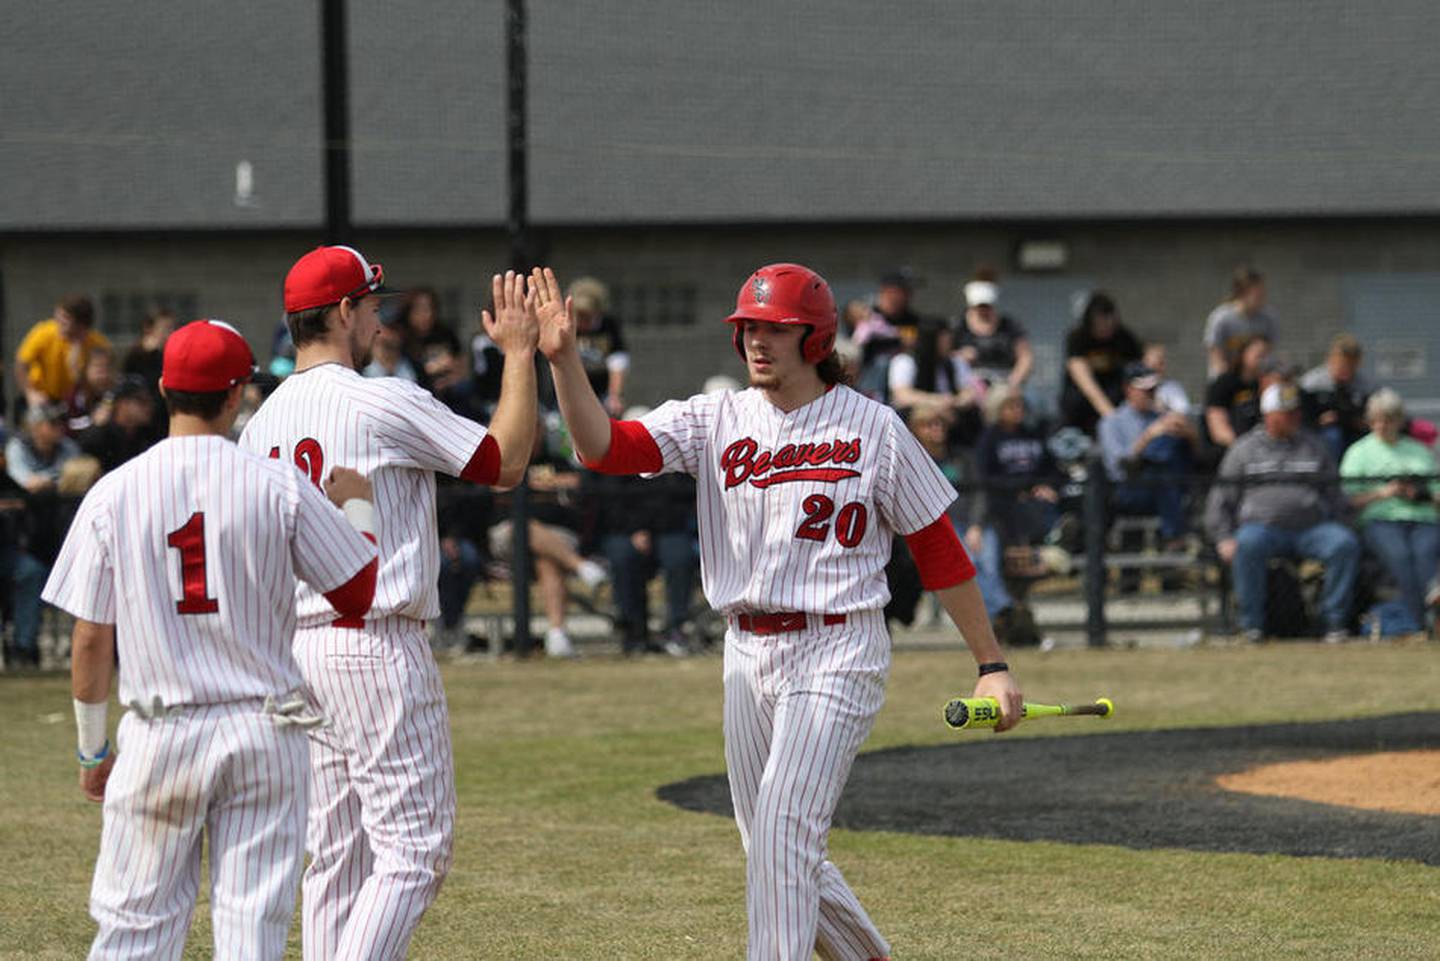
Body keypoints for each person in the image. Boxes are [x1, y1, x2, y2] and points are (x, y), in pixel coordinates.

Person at [538, 262, 1023, 961]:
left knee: (783, 834)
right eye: (748, 328)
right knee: (773, 844)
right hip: (747, 649)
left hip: (838, 645)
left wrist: (992, 663)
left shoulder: (874, 428)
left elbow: (940, 551)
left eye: (776, 328)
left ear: (816, 338)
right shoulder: (717, 418)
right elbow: (604, 447)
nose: (757, 342)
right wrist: (562, 363)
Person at [40, 318, 380, 960]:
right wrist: (358, 506)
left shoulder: (113, 492)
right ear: (234, 396)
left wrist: (92, 751)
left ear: (167, 388)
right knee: (251, 928)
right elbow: (356, 596)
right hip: (262, 729)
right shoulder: (280, 485)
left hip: (159, 729)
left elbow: (90, 638)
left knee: (135, 928)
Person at [238, 245, 539, 960]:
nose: (380, 320)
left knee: (337, 853)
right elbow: (504, 460)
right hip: (371, 637)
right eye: (373, 305)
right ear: (343, 311)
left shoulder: (259, 423)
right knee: (415, 849)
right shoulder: (380, 397)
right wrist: (520, 356)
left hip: (294, 646)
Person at [1205, 383, 1359, 643]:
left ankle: (1333, 623)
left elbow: (1335, 495)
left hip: (1311, 528)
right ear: (1269, 416)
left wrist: (1345, 522)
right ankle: (1252, 625)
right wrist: (1223, 537)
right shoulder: (1244, 450)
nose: (1294, 418)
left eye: (1295, 412)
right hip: (1261, 529)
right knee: (1247, 544)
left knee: (1343, 544)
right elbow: (1220, 500)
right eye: (1286, 413)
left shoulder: (1315, 446)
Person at [1339, 388, 1440, 632]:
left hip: (1423, 517)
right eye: (1376, 420)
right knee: (1401, 557)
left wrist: (1421, 494)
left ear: (1399, 420)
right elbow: (1346, 499)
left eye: (1388, 419)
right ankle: (1422, 624)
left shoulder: (1419, 451)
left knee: (1426, 556)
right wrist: (1384, 493)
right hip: (1381, 519)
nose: (1382, 425)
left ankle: (1426, 619)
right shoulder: (1359, 452)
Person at [1098, 363, 1199, 547]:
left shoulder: (1162, 417)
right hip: (1128, 489)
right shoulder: (1112, 422)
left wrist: (1188, 433)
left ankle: (1180, 537)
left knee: (1171, 464)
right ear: (1128, 389)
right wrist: (1148, 436)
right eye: (1145, 390)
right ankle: (1175, 538)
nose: (1150, 394)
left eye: (1153, 390)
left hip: (1167, 486)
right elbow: (1120, 465)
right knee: (1161, 476)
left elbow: (1195, 457)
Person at [1059, 290, 1142, 435]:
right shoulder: (1078, 338)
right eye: (1101, 324)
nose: (1106, 329)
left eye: (1110, 323)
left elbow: (1139, 368)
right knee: (1074, 401)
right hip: (1085, 392)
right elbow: (1081, 377)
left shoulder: (1124, 337)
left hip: (1114, 387)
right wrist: (1110, 415)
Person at [14, 294, 112, 412]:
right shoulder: (44, 333)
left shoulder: (98, 344)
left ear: (81, 324)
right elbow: (21, 363)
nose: (58, 322)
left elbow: (102, 381)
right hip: (43, 397)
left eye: (65, 318)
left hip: (78, 400)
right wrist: (30, 393)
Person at [953, 269, 1033, 389]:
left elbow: (1025, 356)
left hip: (1004, 382)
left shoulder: (1009, 326)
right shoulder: (958, 326)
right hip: (968, 385)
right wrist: (960, 356)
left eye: (987, 306)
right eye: (980, 306)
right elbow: (944, 354)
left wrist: (1013, 382)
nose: (984, 311)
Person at [1300, 333, 1374, 462]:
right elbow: (1302, 417)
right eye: (1341, 366)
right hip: (1320, 435)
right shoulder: (1311, 383)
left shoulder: (1365, 386)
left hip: (1354, 434)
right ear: (1330, 360)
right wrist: (1319, 421)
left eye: (1351, 367)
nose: (1345, 371)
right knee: (1332, 436)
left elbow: (1368, 417)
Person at [567, 276, 631, 416]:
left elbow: (618, 361)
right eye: (579, 315)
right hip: (570, 390)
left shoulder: (608, 326)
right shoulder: (567, 325)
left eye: (587, 315)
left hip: (601, 390)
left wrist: (615, 395)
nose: (582, 320)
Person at [75, 375, 164, 473]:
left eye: (150, 401)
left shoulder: (148, 435)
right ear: (123, 404)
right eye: (142, 401)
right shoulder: (100, 437)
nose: (149, 406)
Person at [1203, 335, 1274, 453]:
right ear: (1243, 355)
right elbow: (1218, 428)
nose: (1264, 361)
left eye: (1267, 355)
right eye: (1260, 355)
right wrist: (1242, 450)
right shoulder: (1223, 383)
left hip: (1264, 449)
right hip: (1230, 450)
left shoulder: (1266, 384)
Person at [1203, 266, 1277, 378]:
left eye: (1263, 294)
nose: (1263, 298)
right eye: (1258, 295)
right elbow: (1215, 357)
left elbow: (1269, 353)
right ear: (1242, 293)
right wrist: (1230, 382)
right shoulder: (1221, 318)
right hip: (1225, 381)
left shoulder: (1268, 318)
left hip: (1254, 382)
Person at [1143, 342, 1190, 417]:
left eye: (1161, 364)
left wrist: (1161, 410)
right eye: (1152, 365)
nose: (1156, 369)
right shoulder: (1135, 388)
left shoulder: (1173, 388)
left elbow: (1183, 412)